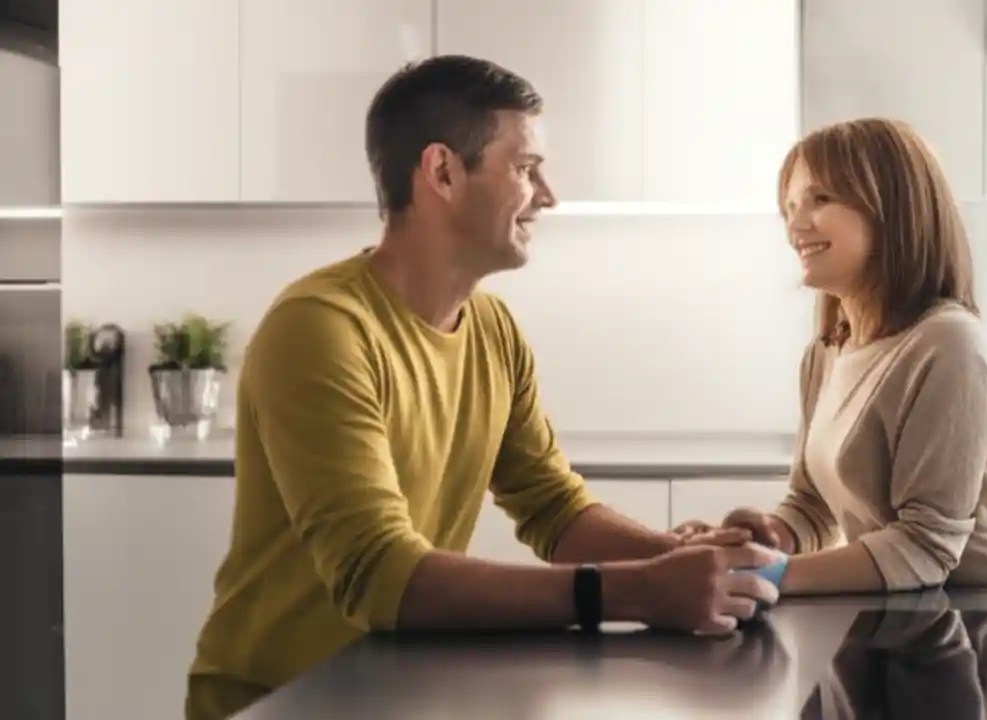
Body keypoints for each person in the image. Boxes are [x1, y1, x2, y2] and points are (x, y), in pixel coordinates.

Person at [185, 54, 777, 720]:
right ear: (442, 171)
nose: (547, 196)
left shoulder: (492, 328)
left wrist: (691, 560)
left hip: (391, 692)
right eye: (525, 168)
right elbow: (378, 575)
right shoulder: (321, 329)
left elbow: (553, 508)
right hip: (281, 702)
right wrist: (636, 590)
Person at [674, 118, 987, 594]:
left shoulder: (948, 346)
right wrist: (764, 541)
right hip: (936, 610)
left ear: (891, 209)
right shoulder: (827, 351)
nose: (795, 226)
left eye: (819, 199)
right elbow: (813, 506)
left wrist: (767, 576)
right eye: (789, 207)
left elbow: (925, 547)